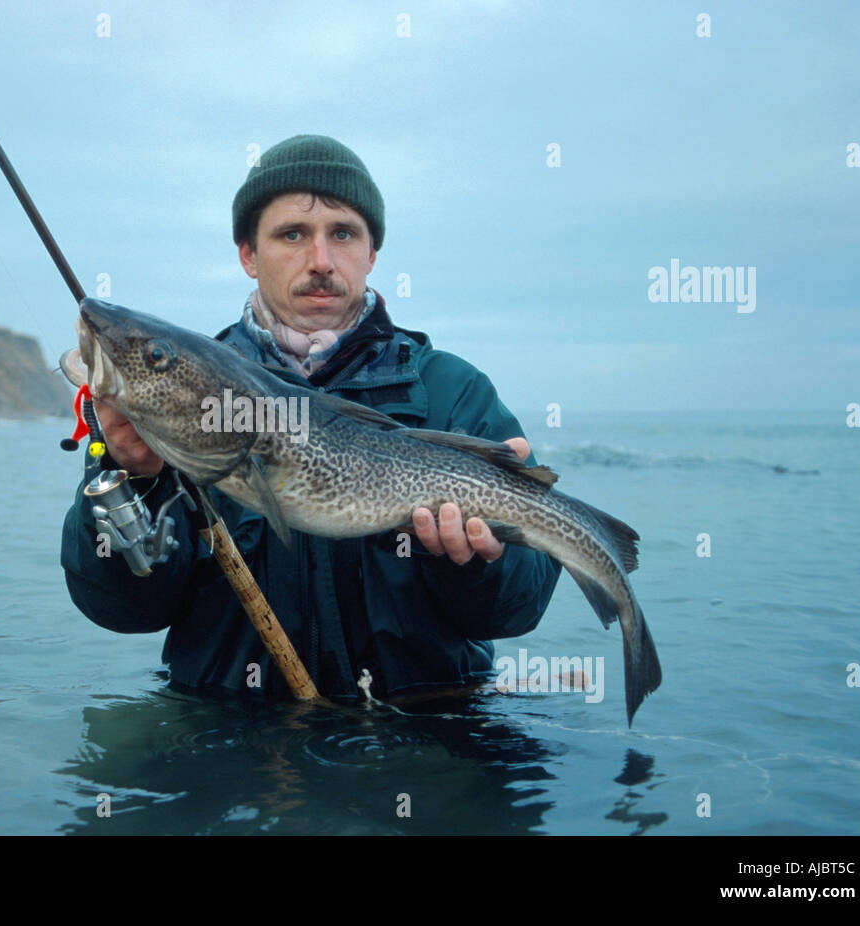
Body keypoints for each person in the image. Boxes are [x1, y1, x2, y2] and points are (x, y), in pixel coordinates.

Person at [61, 135, 561, 702]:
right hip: (229, 746)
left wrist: (473, 566)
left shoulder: (454, 391)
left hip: (425, 733)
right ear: (248, 253)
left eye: (343, 234)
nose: (320, 261)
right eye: (292, 234)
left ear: (372, 253)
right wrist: (136, 478)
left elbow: (521, 609)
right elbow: (124, 610)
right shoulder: (180, 396)